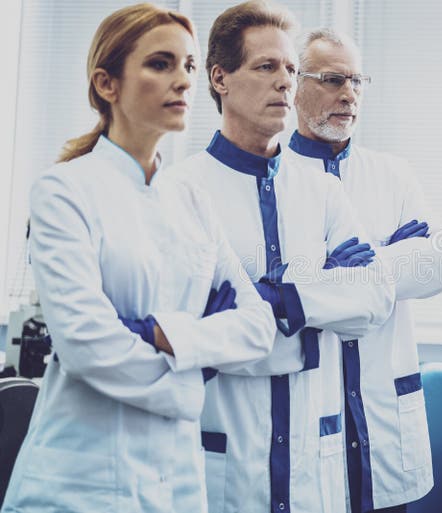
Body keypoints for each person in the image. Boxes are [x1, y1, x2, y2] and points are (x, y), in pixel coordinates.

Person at [0, 4, 277, 512]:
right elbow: (86, 344)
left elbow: (259, 326)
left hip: (176, 484)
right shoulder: (64, 191)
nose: (183, 81)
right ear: (107, 84)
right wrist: (194, 376)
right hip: (76, 483)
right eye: (161, 64)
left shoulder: (192, 201)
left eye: (190, 66)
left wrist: (155, 333)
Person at [168, 3, 395, 513]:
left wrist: (274, 296)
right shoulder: (181, 191)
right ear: (219, 78)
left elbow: (374, 298)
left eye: (291, 69)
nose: (285, 83)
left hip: (315, 465)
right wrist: (325, 288)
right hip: (223, 461)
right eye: (267, 67)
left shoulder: (323, 191)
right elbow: (190, 328)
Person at [287, 29, 442, 513]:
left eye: (358, 81)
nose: (349, 94)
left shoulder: (393, 174)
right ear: (296, 86)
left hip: (384, 425)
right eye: (333, 79)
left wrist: (346, 268)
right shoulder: (278, 180)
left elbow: (438, 264)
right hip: (312, 422)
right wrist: (393, 256)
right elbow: (286, 291)